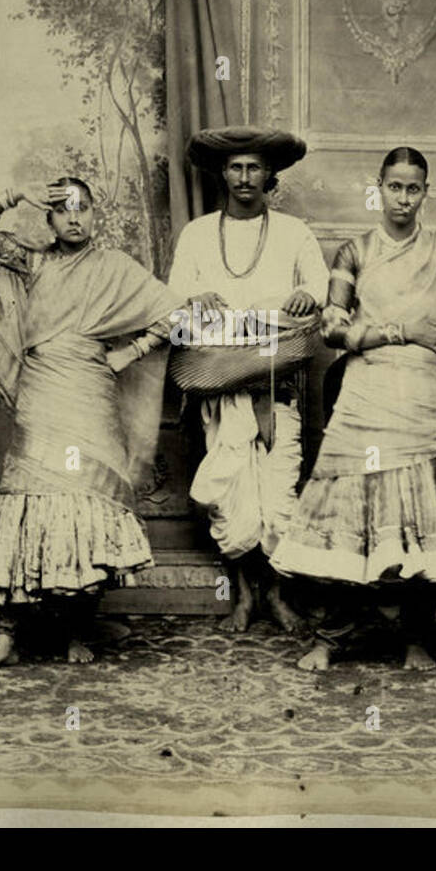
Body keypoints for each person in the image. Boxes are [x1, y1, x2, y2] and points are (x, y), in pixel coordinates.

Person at [270, 146, 436, 670]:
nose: (403, 198)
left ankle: (415, 638)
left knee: (425, 526)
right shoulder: (354, 252)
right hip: (369, 397)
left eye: (413, 188)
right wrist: (402, 330)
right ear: (378, 188)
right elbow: (332, 327)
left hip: (434, 400)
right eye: (394, 187)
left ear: (425, 193)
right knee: (347, 523)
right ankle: (330, 638)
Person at [0, 178, 183, 672]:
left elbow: (177, 314)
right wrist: (13, 193)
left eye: (83, 209)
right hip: (41, 395)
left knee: (87, 503)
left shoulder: (115, 269)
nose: (74, 218)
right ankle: (7, 636)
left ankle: (78, 627)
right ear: (49, 218)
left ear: (95, 215)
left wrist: (134, 350)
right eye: (62, 210)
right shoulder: (32, 262)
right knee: (31, 498)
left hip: (91, 394)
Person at [168, 126, 330, 633]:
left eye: (254, 168)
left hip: (276, 390)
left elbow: (318, 290)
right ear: (222, 173)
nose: (244, 177)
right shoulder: (196, 234)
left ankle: (278, 596)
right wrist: (196, 302)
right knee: (232, 503)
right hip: (219, 393)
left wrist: (304, 295)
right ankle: (242, 594)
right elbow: (173, 307)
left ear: (269, 176)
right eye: (236, 167)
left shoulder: (293, 233)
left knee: (280, 501)